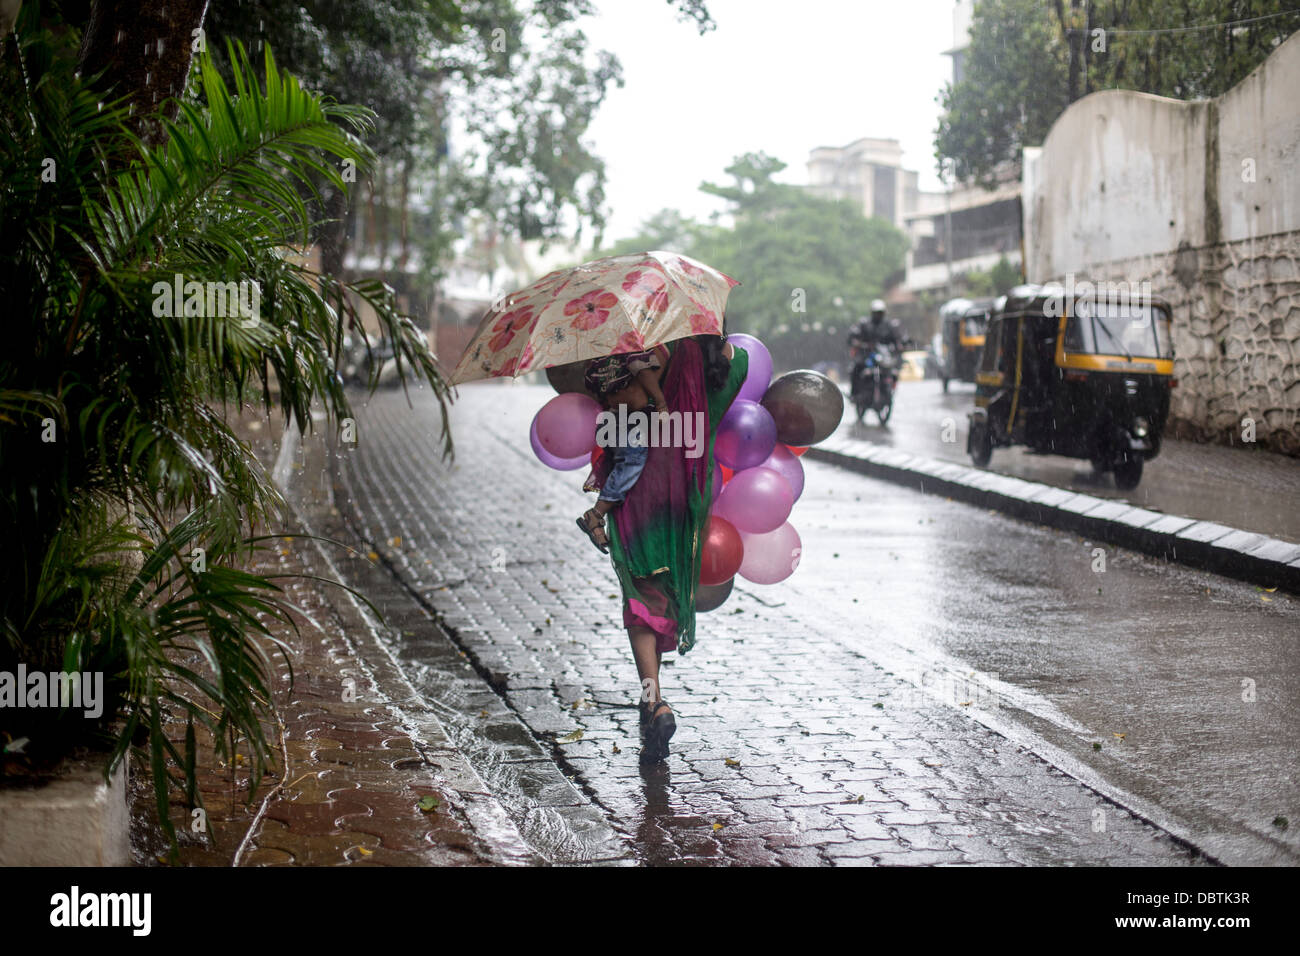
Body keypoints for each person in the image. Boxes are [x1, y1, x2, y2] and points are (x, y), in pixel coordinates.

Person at [584, 333, 748, 765]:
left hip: (637, 505)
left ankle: (654, 698)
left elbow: (611, 421)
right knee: (667, 597)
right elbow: (744, 361)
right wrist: (719, 348)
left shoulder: (641, 364)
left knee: (641, 602)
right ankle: (652, 703)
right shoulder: (717, 374)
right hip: (684, 508)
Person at [575, 347, 668, 553]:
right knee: (631, 462)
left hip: (613, 420)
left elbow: (594, 389)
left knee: (623, 467)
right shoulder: (633, 352)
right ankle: (596, 514)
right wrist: (661, 404)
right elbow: (642, 370)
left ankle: (598, 522)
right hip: (628, 420)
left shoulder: (594, 363)